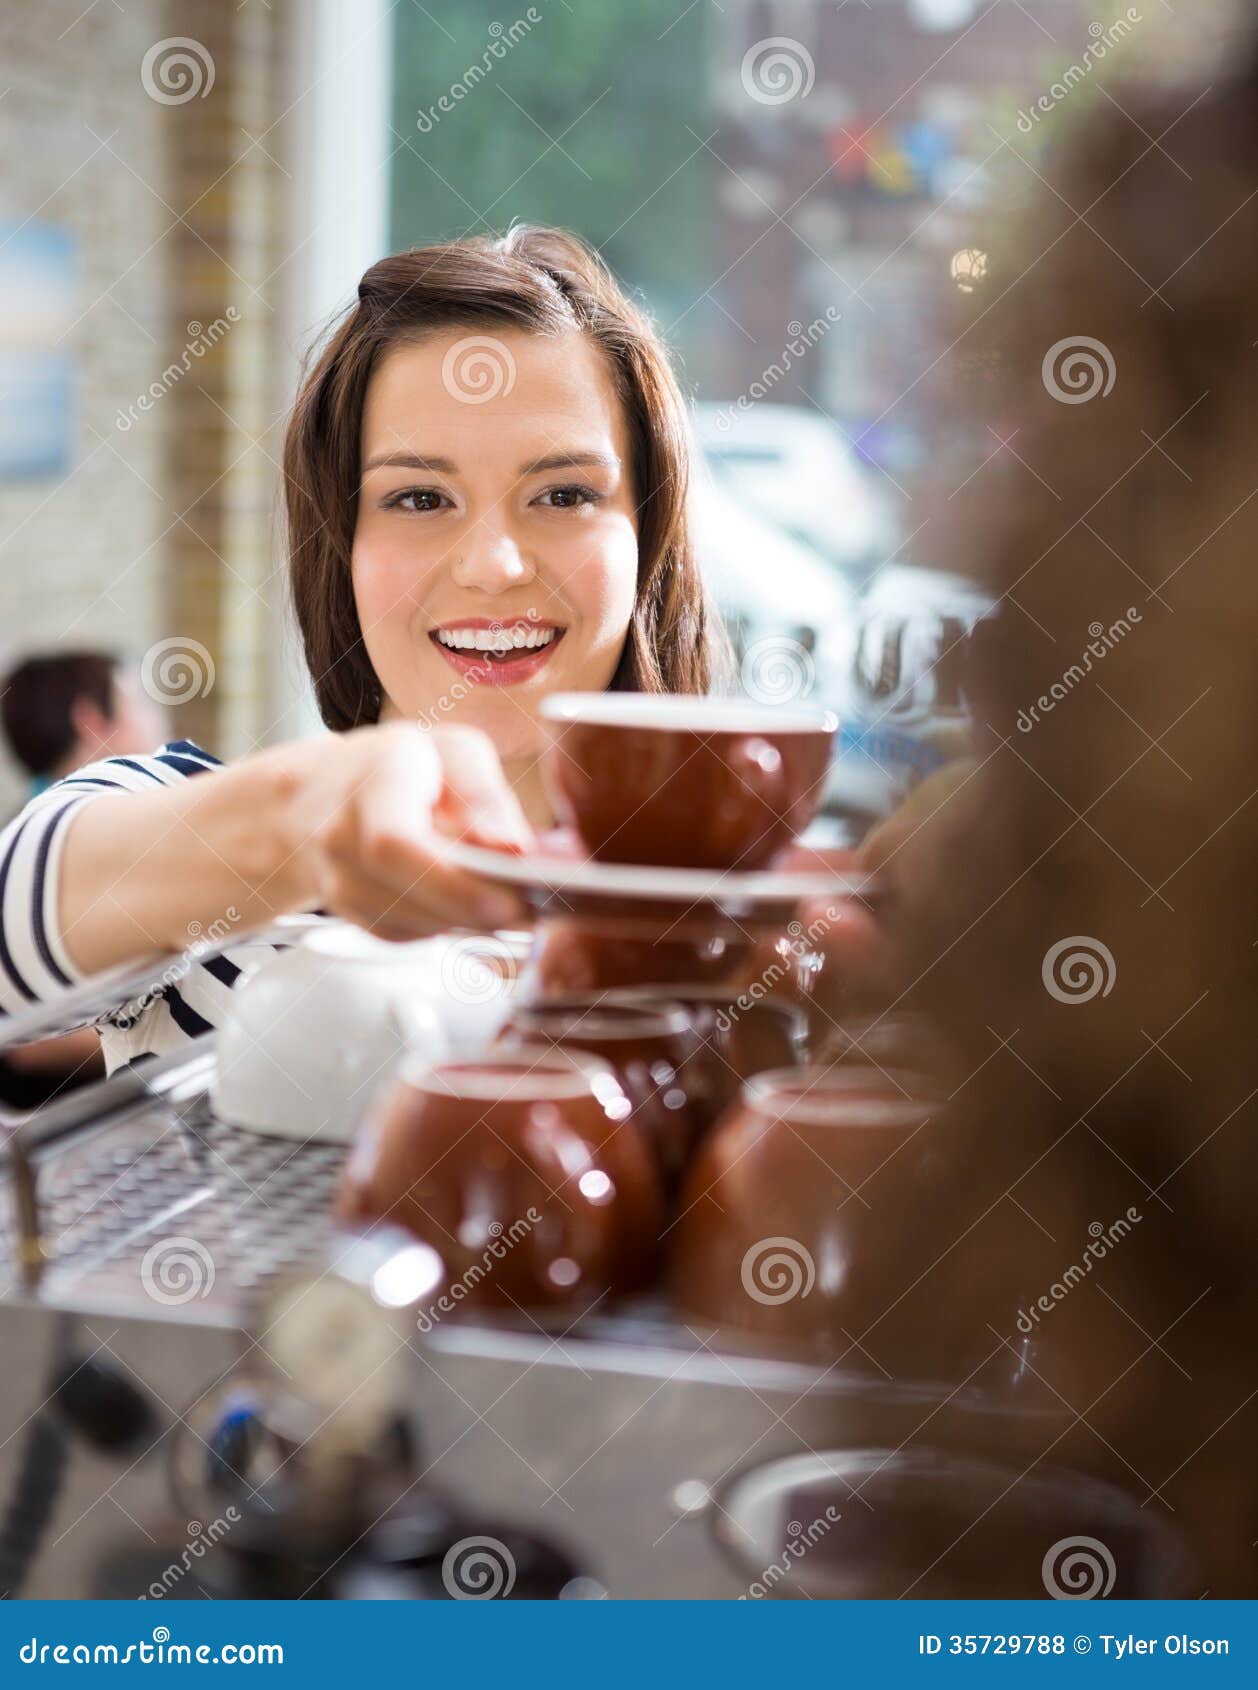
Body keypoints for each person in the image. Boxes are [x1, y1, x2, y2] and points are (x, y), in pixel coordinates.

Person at [0, 228, 723, 1070]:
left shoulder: (738, 914)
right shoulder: (213, 863)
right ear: (339, 544)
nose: (494, 566)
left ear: (648, 538)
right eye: (419, 498)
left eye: (563, 494)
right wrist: (291, 827)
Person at [0, 650, 168, 803]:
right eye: (140, 701)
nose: (159, 717)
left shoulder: (32, 815)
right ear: (90, 721)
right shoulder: (110, 815)